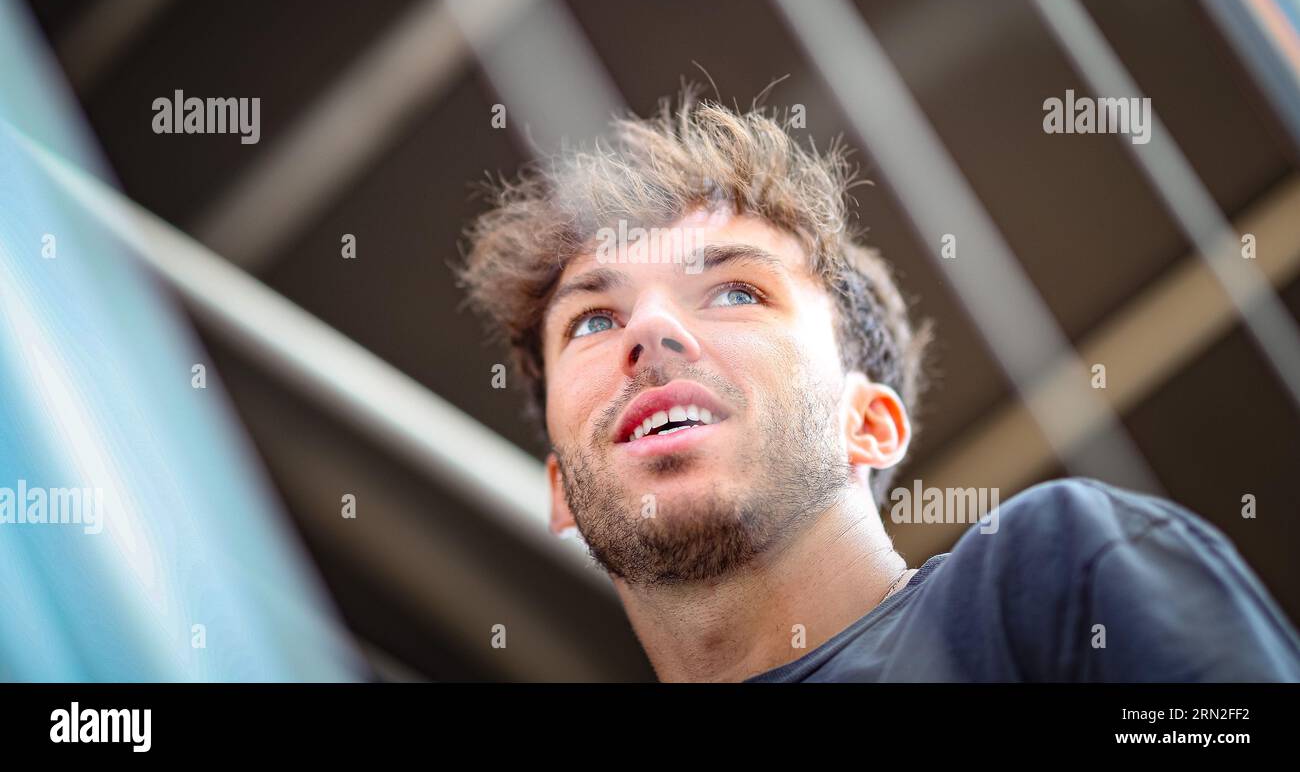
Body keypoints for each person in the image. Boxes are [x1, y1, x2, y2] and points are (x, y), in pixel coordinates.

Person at [456, 87, 1300, 682]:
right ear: (561, 489)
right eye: (593, 321)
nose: (647, 330)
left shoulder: (1052, 574)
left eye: (736, 291)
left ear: (869, 423)